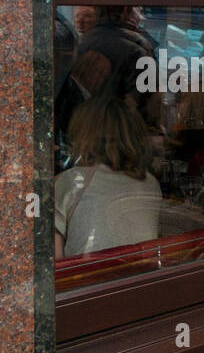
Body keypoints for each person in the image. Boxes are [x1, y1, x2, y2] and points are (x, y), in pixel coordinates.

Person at [54, 94, 163, 257]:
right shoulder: (150, 182)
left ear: (82, 133)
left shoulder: (72, 181)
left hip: (89, 280)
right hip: (140, 278)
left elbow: (54, 261)